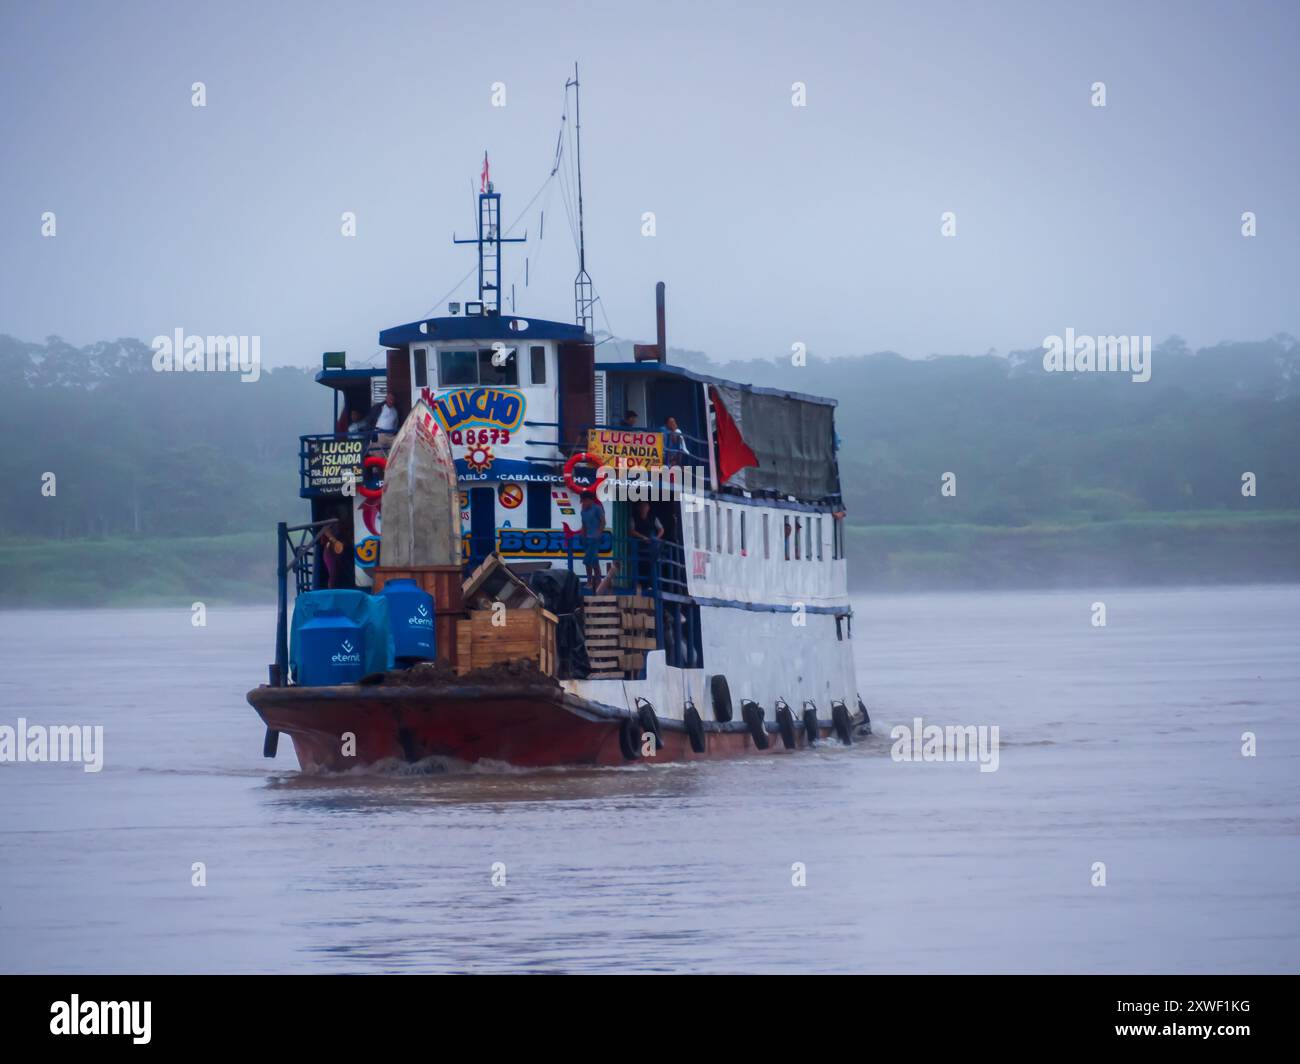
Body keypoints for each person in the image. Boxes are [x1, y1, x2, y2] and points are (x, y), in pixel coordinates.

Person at [630, 500, 664, 592]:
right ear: (638, 508)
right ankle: (639, 584)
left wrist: (656, 538)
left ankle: (650, 585)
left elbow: (661, 529)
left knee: (652, 563)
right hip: (639, 545)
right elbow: (632, 531)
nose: (643, 508)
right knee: (639, 564)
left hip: (651, 545)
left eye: (645, 506)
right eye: (641, 506)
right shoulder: (634, 518)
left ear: (648, 508)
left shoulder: (653, 518)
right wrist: (643, 538)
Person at [579, 493, 606, 591]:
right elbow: (584, 525)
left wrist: (599, 533)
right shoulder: (583, 511)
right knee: (594, 561)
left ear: (589, 500)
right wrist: (582, 536)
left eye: (584, 501)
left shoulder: (597, 508)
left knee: (588, 560)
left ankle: (591, 582)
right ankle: (596, 582)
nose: (583, 503)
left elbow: (603, 521)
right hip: (587, 539)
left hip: (595, 539)